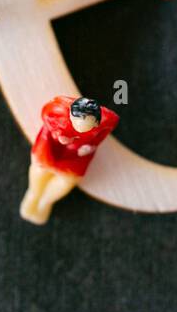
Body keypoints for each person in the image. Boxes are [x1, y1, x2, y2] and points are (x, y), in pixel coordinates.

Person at [21, 96, 119, 224]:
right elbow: (45, 114)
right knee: (40, 168)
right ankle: (33, 193)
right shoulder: (58, 109)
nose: (79, 131)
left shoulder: (106, 120)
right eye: (78, 124)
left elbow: (107, 129)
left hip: (77, 154)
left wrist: (91, 145)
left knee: (67, 181)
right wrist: (57, 133)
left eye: (89, 127)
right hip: (51, 144)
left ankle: (46, 201)